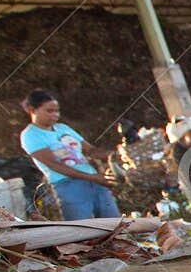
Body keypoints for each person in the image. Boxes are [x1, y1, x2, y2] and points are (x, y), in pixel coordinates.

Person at [19, 91, 120, 220]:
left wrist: (116, 154)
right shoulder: (30, 135)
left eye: (57, 111)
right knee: (82, 230)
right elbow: (55, 165)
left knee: (114, 224)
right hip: (68, 185)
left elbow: (90, 150)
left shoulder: (62, 128)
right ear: (33, 110)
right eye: (49, 111)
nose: (55, 115)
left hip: (95, 180)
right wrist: (92, 177)